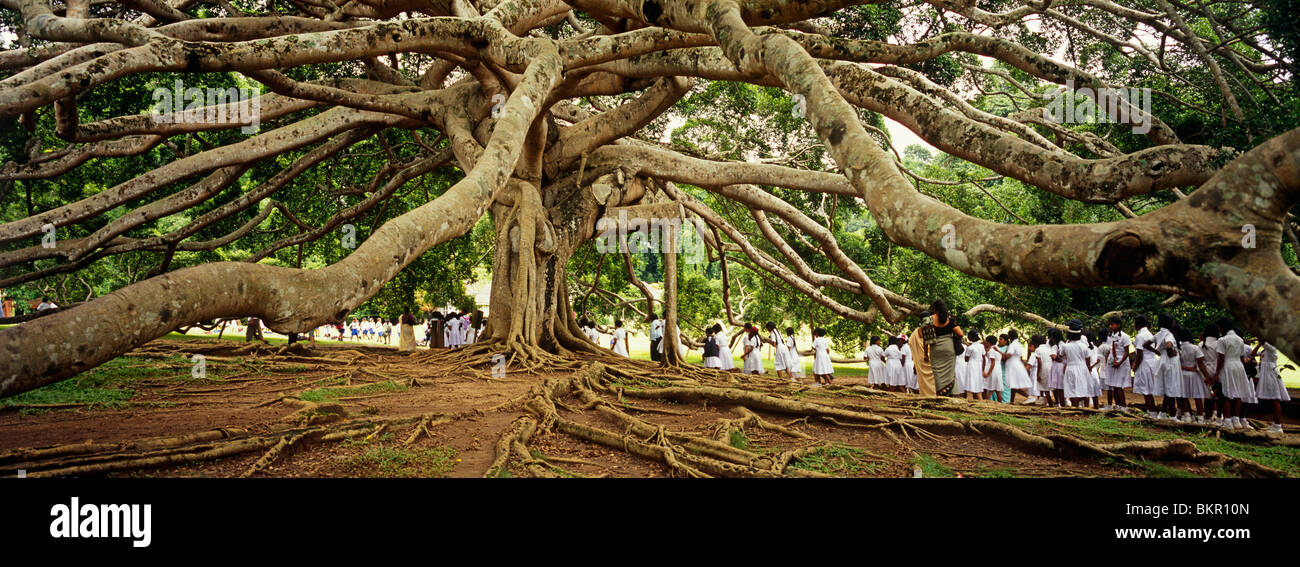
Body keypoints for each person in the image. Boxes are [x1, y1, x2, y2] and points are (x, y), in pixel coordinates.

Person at [1212, 318, 1256, 430]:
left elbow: (1221, 358)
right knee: (1237, 393)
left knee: (1226, 393)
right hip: (1239, 366)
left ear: (1222, 327)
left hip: (1228, 365)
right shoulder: (1240, 340)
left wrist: (1217, 373)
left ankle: (1227, 420)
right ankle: (1236, 420)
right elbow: (1242, 357)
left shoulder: (1223, 340)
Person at [924, 300, 963, 396]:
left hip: (935, 349)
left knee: (937, 372)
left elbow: (926, 339)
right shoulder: (950, 319)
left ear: (935, 309)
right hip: (949, 349)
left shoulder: (928, 320)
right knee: (950, 373)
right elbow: (960, 334)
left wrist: (925, 354)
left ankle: (941, 394)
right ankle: (953, 394)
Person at [1251, 340, 1289, 434]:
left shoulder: (1272, 348)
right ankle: (1275, 424)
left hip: (1271, 375)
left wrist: (1260, 338)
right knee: (1273, 399)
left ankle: (1278, 426)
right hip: (1266, 375)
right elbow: (1253, 353)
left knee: (1275, 398)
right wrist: (1258, 344)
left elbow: (1263, 340)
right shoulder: (1264, 350)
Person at [1177, 325, 1210, 424]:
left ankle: (1187, 416)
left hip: (1182, 374)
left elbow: (1177, 363)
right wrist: (1206, 375)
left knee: (1184, 395)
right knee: (1197, 395)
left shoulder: (1179, 349)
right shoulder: (1195, 348)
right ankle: (1200, 418)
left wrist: (1185, 367)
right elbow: (1200, 362)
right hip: (1194, 374)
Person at [1131, 315, 1162, 418]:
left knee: (1146, 389)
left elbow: (1140, 354)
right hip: (1151, 362)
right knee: (1148, 388)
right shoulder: (1148, 333)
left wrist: (1135, 365)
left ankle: (1152, 412)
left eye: (1134, 322)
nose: (1133, 325)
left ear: (1138, 324)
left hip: (1145, 363)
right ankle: (1150, 410)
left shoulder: (1141, 336)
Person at [1060, 320, 1093, 407]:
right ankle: (1086, 408)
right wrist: (1088, 369)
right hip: (1083, 368)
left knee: (1072, 389)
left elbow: (1061, 354)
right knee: (1084, 388)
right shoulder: (1084, 346)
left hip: (1070, 367)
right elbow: (1088, 358)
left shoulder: (1066, 346)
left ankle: (1075, 408)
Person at [1102, 316, 1131, 411]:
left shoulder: (1124, 336)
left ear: (1118, 325)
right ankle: (1117, 405)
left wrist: (1119, 362)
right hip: (1112, 362)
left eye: (1112, 324)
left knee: (1119, 385)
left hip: (1121, 362)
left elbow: (1127, 352)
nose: (1110, 326)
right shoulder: (1110, 336)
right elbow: (1111, 349)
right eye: (1109, 324)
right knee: (1113, 385)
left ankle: (1123, 406)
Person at [1002, 329, 1034, 404]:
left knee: (1014, 384)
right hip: (1016, 364)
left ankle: (1029, 396)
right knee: (1013, 383)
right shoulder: (1019, 344)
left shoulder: (1013, 345)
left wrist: (998, 351)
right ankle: (1011, 401)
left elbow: (1008, 355)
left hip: (1013, 365)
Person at [963, 333, 985, 400]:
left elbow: (966, 359)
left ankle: (974, 399)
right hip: (979, 366)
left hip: (972, 366)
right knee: (977, 383)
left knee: (972, 383)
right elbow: (983, 357)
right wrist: (983, 369)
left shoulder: (970, 348)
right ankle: (977, 400)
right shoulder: (981, 346)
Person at [982, 335, 1002, 402]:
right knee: (997, 390)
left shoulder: (992, 350)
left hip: (993, 371)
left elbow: (993, 363)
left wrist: (988, 373)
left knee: (991, 388)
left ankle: (986, 403)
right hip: (998, 370)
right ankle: (1000, 404)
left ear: (989, 342)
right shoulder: (998, 349)